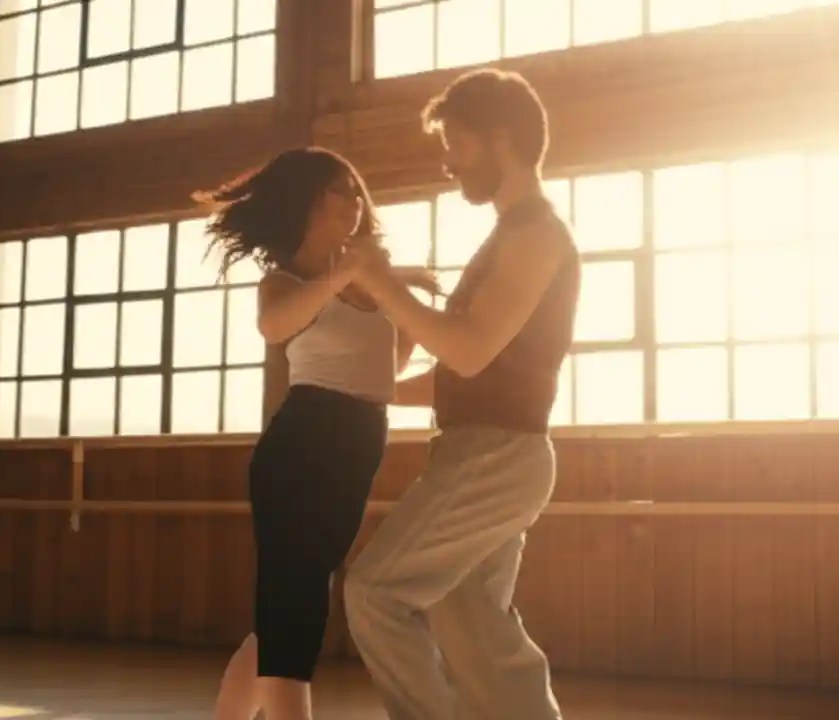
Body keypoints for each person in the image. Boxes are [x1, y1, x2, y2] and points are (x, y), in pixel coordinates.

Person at [342, 69, 578, 720]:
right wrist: (364, 387)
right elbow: (466, 371)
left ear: (499, 138)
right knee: (473, 624)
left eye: (456, 143)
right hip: (486, 452)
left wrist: (382, 282)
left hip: (498, 456)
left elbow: (469, 347)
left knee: (375, 591)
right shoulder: (507, 238)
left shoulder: (538, 235)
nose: (448, 162)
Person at [198, 147, 437, 720]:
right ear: (307, 200)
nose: (354, 200)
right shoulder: (284, 283)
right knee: (298, 608)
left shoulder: (368, 286)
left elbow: (386, 373)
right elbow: (274, 327)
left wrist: (398, 295)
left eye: (357, 191)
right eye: (339, 189)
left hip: (357, 450)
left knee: (286, 614)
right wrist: (353, 272)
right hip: (302, 450)